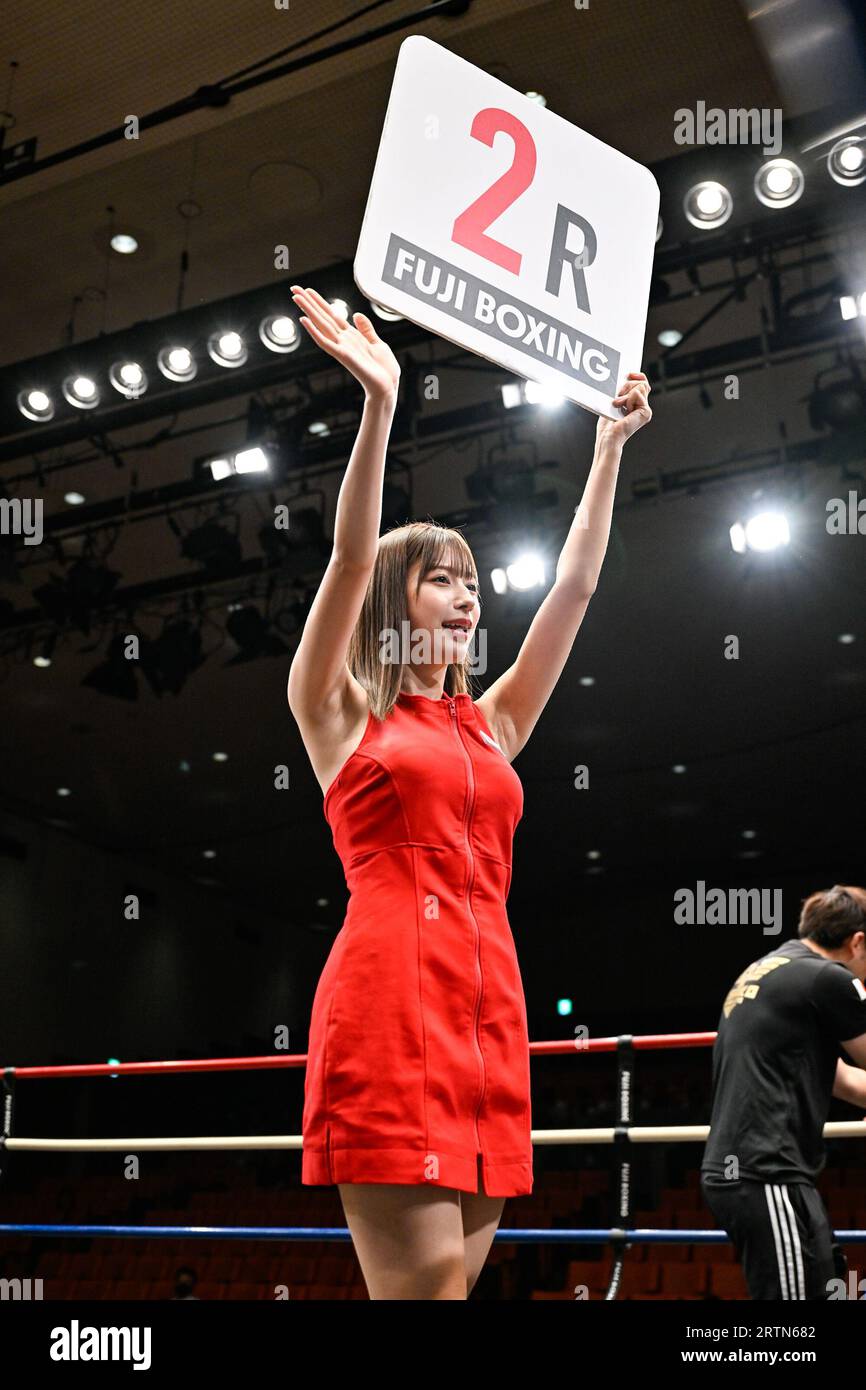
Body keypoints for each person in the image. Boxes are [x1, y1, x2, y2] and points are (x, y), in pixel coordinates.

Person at [286, 283, 652, 1299]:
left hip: (489, 1016)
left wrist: (608, 450)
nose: (467, 590)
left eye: (472, 578)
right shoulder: (337, 712)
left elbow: (573, 589)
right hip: (386, 1005)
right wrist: (378, 406)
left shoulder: (492, 724)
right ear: (398, 600)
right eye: (441, 576)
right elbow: (352, 554)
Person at [701, 885, 866, 1300]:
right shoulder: (829, 978)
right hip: (765, 1171)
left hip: (764, 1172)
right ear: (858, 942)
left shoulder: (770, 969)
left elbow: (842, 1080)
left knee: (826, 1285)